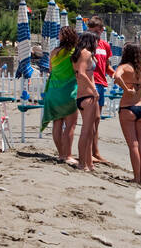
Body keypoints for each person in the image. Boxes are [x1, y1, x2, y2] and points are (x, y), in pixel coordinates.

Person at [40, 25, 81, 167]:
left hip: (53, 91)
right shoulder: (74, 52)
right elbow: (77, 71)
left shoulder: (54, 52)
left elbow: (51, 70)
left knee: (57, 123)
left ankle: (61, 153)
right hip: (68, 91)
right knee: (70, 125)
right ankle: (67, 155)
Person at [113, 43, 141, 184]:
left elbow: (116, 77)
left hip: (127, 108)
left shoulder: (123, 67)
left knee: (133, 145)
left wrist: (126, 89)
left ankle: (136, 178)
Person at [74, 31, 100, 170]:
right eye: (96, 41)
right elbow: (82, 73)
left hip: (83, 95)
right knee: (86, 131)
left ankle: (88, 162)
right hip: (88, 96)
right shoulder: (86, 54)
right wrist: (94, 90)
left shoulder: (80, 54)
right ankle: (82, 163)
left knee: (90, 130)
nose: (97, 43)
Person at [88, 16, 113, 164]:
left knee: (96, 120)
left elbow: (107, 66)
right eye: (91, 32)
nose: (94, 35)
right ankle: (91, 152)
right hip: (91, 84)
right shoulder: (86, 45)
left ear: (101, 31)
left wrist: (116, 74)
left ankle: (94, 151)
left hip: (102, 84)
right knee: (92, 119)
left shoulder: (105, 46)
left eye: (96, 32)